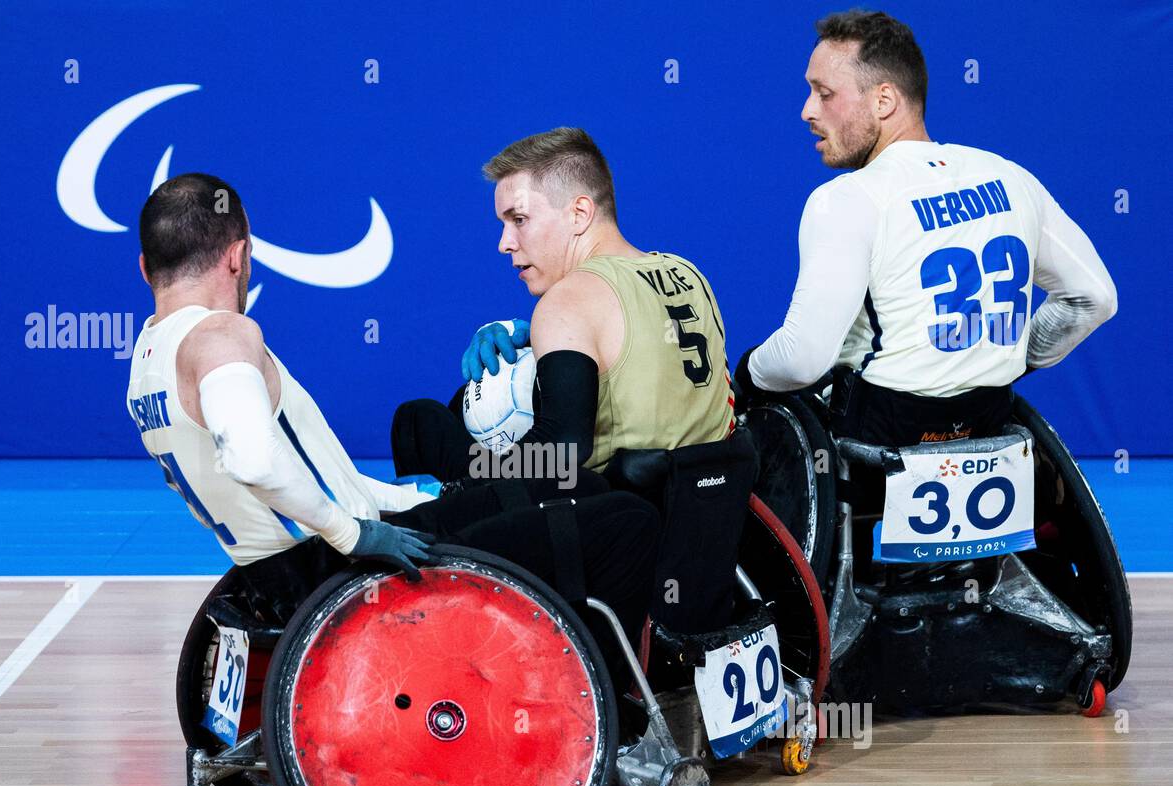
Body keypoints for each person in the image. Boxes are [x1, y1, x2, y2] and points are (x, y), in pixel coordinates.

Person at [125, 172, 659, 669]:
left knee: (578, 484)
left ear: (147, 268)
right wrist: (352, 533)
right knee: (626, 521)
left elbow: (307, 477)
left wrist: (419, 501)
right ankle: (610, 708)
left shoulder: (148, 359)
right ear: (239, 256)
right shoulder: (221, 336)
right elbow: (253, 460)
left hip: (281, 575)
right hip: (347, 571)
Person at [733, 9, 1118, 447]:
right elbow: (1095, 298)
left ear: (884, 101)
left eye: (824, 94)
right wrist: (1000, 359)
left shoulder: (847, 198)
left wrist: (745, 377)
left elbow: (801, 360)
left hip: (878, 433)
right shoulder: (1011, 177)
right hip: (989, 417)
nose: (806, 111)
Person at [392, 127, 736, 482]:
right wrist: (536, 345)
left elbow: (563, 451)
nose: (504, 243)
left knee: (417, 422)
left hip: (603, 511)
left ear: (579, 213)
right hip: (705, 503)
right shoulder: (687, 272)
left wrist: (464, 485)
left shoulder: (568, 297)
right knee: (460, 405)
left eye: (519, 219)